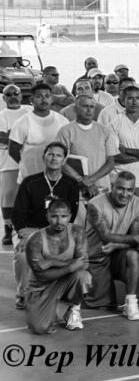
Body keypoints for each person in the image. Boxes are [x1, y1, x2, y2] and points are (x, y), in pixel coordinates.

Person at [12, 143, 82, 310]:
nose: (54, 158)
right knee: (23, 255)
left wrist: (41, 233)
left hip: (57, 232)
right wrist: (24, 235)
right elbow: (17, 214)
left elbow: (70, 216)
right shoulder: (30, 182)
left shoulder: (71, 184)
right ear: (44, 157)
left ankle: (58, 290)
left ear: (64, 160)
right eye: (50, 154)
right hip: (27, 230)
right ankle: (23, 293)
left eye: (58, 155)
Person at [83, 172, 139, 319]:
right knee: (99, 304)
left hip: (118, 253)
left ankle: (131, 304)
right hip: (96, 256)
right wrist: (136, 238)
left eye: (129, 190)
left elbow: (133, 241)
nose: (125, 194)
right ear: (112, 187)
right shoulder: (94, 204)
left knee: (133, 255)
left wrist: (116, 246)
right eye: (120, 188)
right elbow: (105, 236)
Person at [23, 200, 90, 334]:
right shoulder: (35, 240)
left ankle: (73, 309)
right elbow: (41, 275)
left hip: (65, 282)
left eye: (63, 216)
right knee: (39, 328)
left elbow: (83, 263)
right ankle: (53, 307)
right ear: (47, 216)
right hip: (40, 288)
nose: (59, 221)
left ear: (70, 216)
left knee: (83, 276)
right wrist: (70, 267)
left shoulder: (77, 232)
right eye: (54, 216)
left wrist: (51, 262)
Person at [8, 83, 70, 184]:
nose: (44, 100)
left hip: (56, 179)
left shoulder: (62, 121)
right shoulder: (22, 122)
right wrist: (26, 163)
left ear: (52, 99)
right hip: (29, 179)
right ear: (31, 99)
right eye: (39, 96)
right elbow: (13, 150)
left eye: (47, 96)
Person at [0, 84, 31, 243]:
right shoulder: (1, 115)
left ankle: (26, 229)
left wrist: (12, 135)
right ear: (4, 98)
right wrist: (22, 137)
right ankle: (7, 230)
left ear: (21, 95)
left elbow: (9, 138)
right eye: (8, 94)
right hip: (8, 163)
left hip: (30, 162)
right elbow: (2, 137)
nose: (12, 96)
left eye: (15, 93)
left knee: (30, 197)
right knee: (8, 196)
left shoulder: (29, 111)